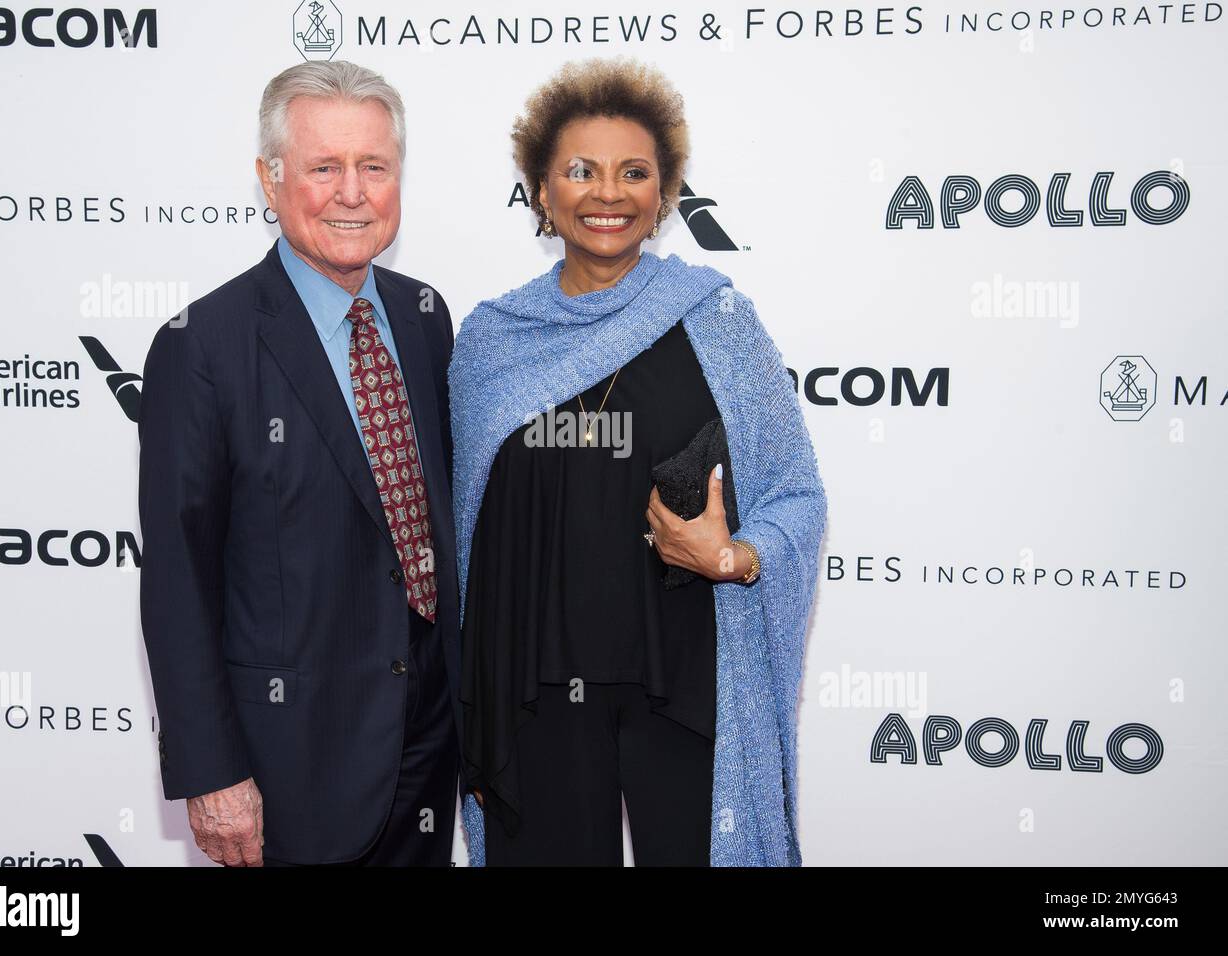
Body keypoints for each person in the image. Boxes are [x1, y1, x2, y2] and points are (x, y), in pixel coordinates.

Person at [449, 57, 828, 866]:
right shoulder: (490, 342)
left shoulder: (718, 323)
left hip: (686, 691)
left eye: (634, 173)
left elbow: (796, 492)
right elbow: (468, 550)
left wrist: (735, 555)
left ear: (664, 196)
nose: (607, 193)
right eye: (580, 171)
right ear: (542, 193)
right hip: (534, 702)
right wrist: (475, 715)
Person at [137, 61, 462, 866]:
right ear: (270, 180)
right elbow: (176, 580)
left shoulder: (426, 320)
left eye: (374, 166)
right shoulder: (202, 348)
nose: (353, 192)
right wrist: (212, 773)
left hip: (427, 740)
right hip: (290, 765)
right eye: (324, 167)